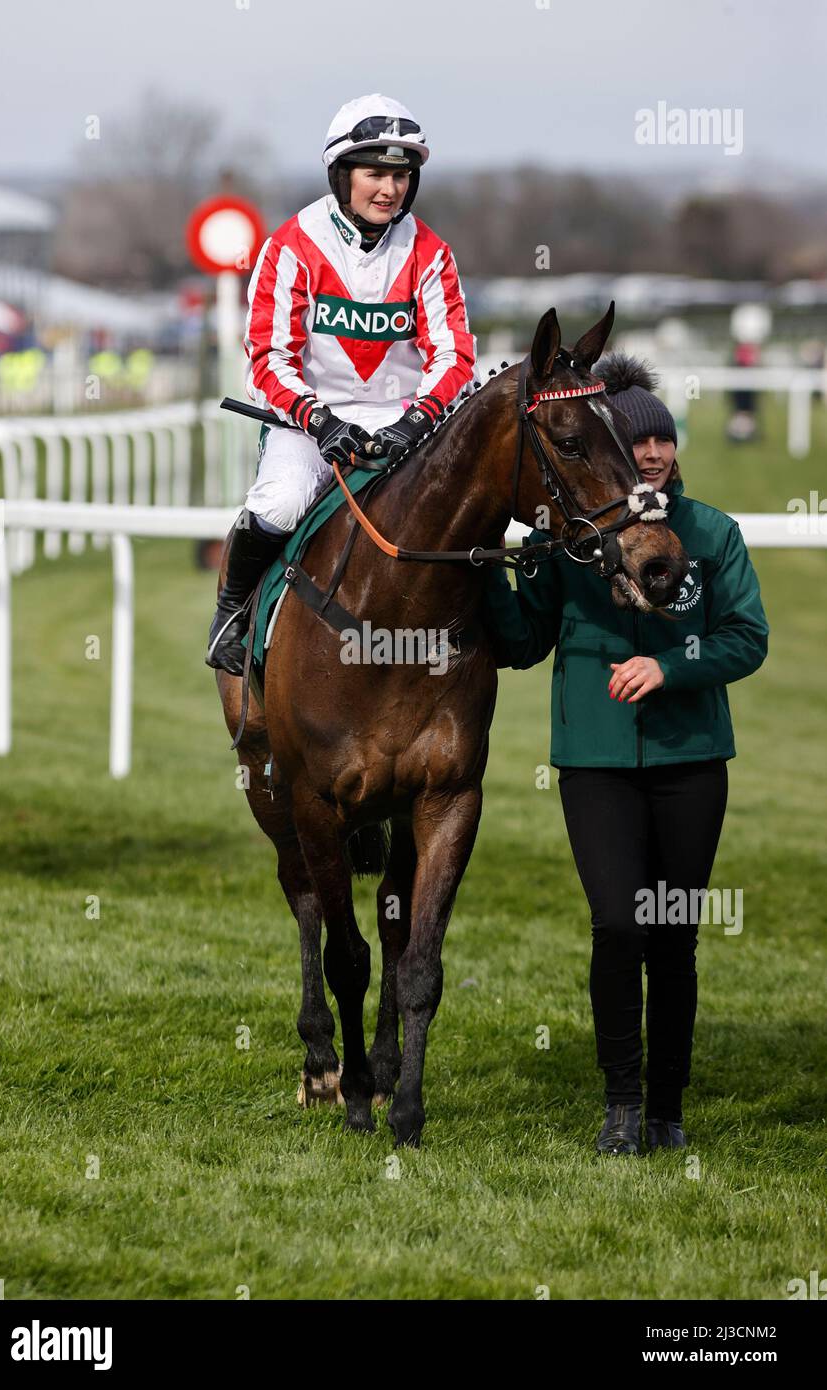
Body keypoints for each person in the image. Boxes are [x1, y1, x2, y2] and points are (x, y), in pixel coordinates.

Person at [482, 355, 769, 1155]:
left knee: (674, 935)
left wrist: (670, 667)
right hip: (596, 765)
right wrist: (491, 571)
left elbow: (748, 638)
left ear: (674, 449)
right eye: (633, 441)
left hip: (692, 762)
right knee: (618, 926)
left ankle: (668, 1109)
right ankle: (620, 1106)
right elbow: (520, 642)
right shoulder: (565, 541)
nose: (649, 454)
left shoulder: (712, 533)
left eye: (661, 440)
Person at [206, 93, 476, 673]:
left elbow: (454, 356)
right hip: (309, 422)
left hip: (407, 421)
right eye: (374, 173)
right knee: (279, 504)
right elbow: (267, 358)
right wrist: (320, 420)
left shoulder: (431, 252)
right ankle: (232, 611)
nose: (389, 189)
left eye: (401, 175)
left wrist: (417, 421)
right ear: (341, 175)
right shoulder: (290, 246)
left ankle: (496, 630)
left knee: (473, 503)